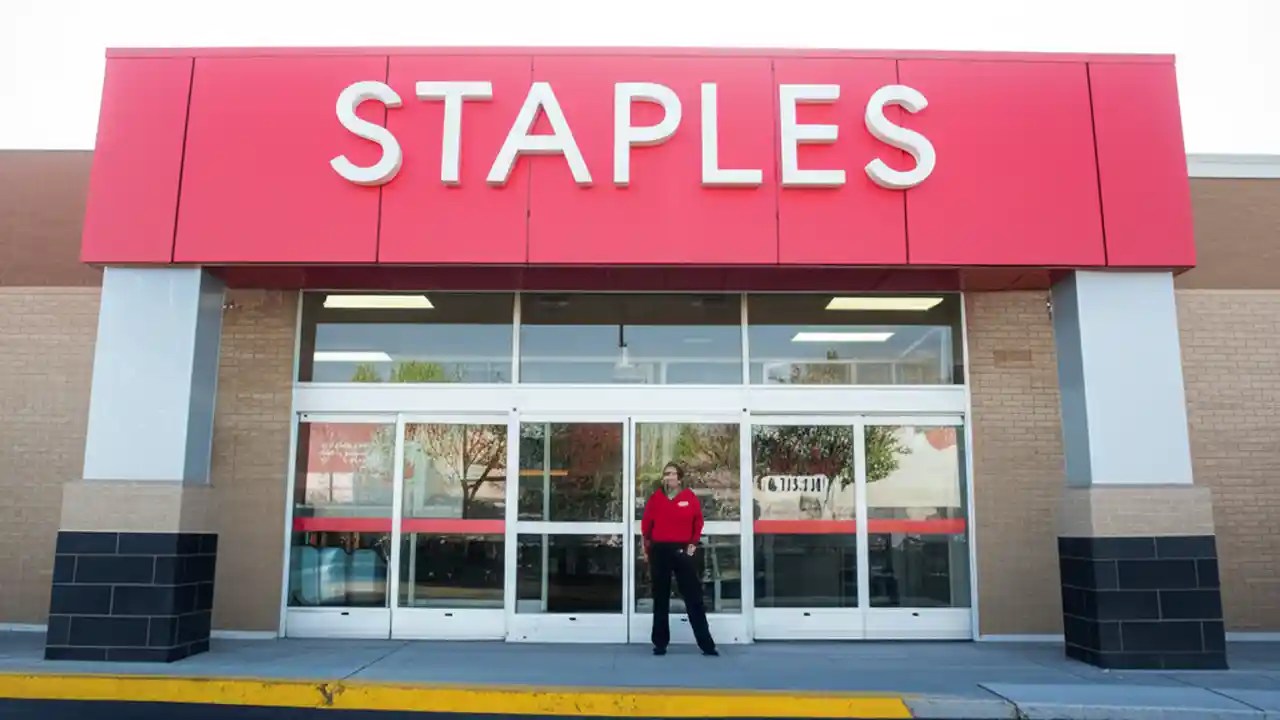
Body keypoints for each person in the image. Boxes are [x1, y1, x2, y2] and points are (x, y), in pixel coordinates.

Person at [640, 461, 718, 656]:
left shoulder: (689, 497)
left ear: (680, 477)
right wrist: (646, 548)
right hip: (660, 550)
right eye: (666, 474)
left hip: (683, 550)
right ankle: (659, 643)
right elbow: (646, 526)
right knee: (660, 598)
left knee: (693, 597)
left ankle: (706, 645)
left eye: (673, 474)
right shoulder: (656, 498)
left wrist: (692, 544)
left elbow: (697, 522)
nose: (669, 477)